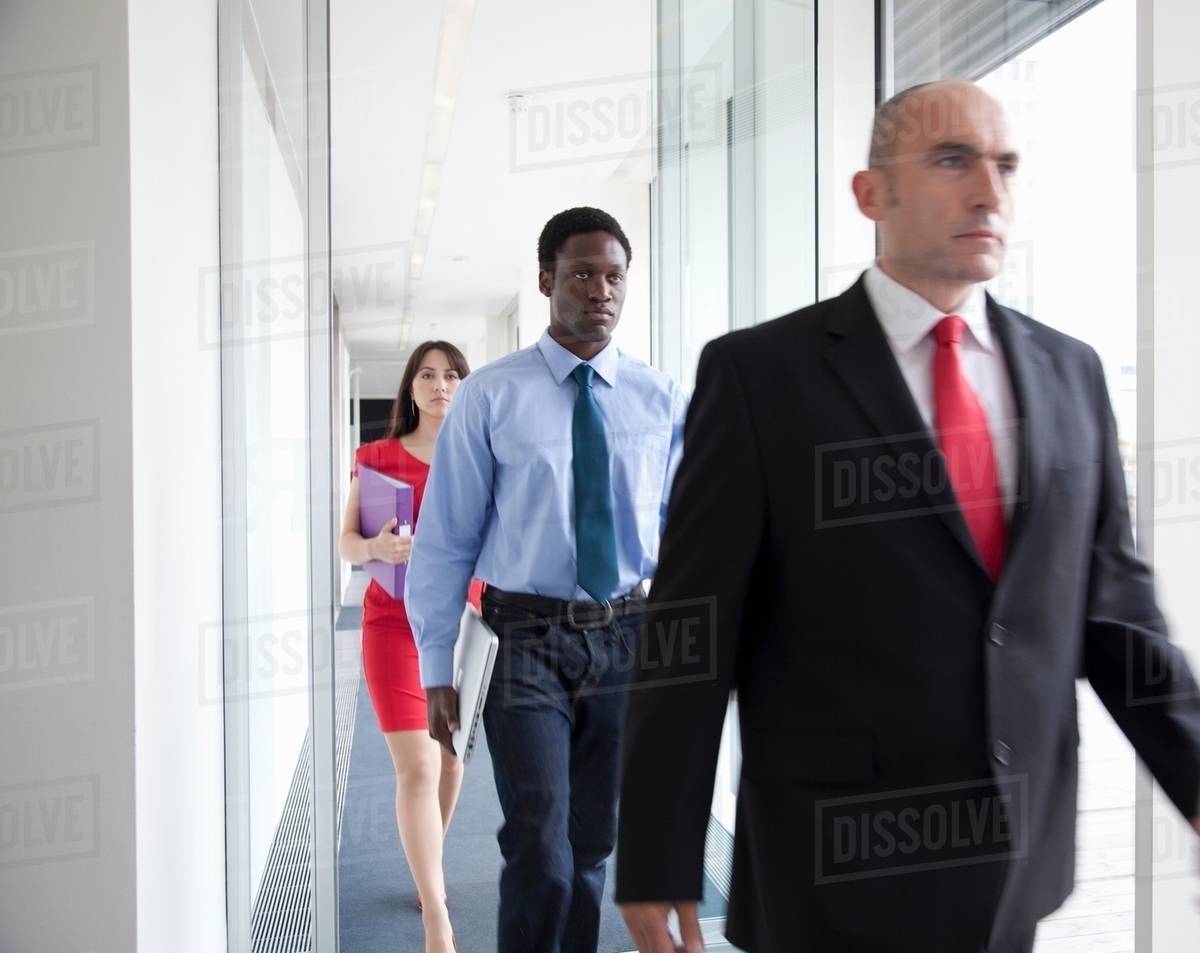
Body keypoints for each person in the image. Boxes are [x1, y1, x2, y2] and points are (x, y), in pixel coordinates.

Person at [615, 81, 1200, 953]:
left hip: (1016, 858)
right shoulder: (760, 374)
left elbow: (1117, 613)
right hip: (834, 865)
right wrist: (658, 847)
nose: (989, 191)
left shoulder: (1071, 370)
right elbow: (691, 626)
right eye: (952, 160)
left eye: (1005, 165)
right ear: (870, 194)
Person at [405, 206, 687, 953]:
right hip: (523, 638)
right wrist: (437, 668)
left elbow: (694, 534)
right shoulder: (491, 396)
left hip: (627, 636)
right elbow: (444, 542)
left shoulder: (661, 399)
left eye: (614, 276)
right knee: (539, 842)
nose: (601, 290)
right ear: (546, 280)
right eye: (582, 273)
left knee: (592, 843)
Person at [338, 340, 481, 953]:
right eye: (427, 374)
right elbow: (347, 540)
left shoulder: (480, 455)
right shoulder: (376, 456)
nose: (439, 384)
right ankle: (436, 917)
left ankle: (430, 870)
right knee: (417, 766)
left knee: (450, 761)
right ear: (411, 387)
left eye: (451, 375)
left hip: (462, 627)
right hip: (393, 626)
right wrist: (375, 548)